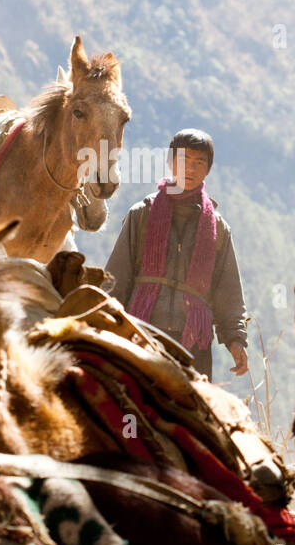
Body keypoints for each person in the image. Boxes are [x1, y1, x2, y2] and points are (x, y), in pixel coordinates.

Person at [104, 129, 249, 381]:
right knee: (135, 407)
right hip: (142, 334)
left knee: (191, 413)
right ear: (171, 163)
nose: (190, 169)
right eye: (183, 161)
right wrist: (104, 323)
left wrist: (236, 340)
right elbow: (117, 276)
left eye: (199, 162)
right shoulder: (142, 215)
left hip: (194, 342)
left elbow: (228, 291)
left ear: (208, 169)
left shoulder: (217, 228)